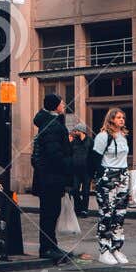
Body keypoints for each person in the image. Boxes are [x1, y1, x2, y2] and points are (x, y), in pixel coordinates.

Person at [30, 98, 76, 263]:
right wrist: (69, 164)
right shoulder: (53, 127)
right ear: (55, 106)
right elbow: (54, 154)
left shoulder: (50, 124)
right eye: (62, 103)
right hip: (51, 178)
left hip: (49, 177)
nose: (64, 105)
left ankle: (51, 245)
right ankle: (47, 247)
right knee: (50, 213)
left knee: (51, 213)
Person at [90, 107, 132, 265]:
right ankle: (104, 249)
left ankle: (116, 248)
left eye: (123, 117)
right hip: (108, 176)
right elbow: (95, 159)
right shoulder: (103, 136)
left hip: (122, 175)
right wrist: (98, 178)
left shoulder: (123, 136)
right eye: (118, 117)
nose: (121, 120)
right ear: (111, 119)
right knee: (106, 214)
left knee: (119, 214)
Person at [68, 117, 93, 216]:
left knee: (86, 191)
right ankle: (77, 208)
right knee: (74, 190)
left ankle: (84, 210)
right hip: (76, 171)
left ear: (81, 131)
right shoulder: (74, 142)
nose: (74, 132)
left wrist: (93, 170)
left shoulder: (90, 141)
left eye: (76, 130)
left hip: (87, 171)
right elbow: (69, 154)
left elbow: (93, 156)